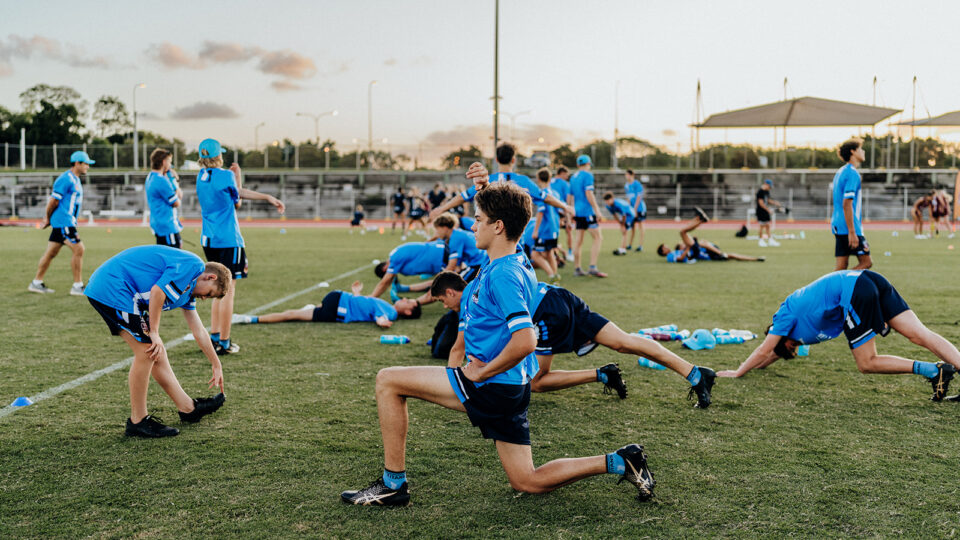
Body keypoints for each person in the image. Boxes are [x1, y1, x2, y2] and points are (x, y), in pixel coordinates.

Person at [341, 175, 655, 507]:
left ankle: (393, 485)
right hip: (511, 386)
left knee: (388, 381)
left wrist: (481, 373)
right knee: (527, 481)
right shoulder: (513, 256)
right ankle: (621, 460)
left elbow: (524, 340)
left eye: (478, 220)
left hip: (494, 385)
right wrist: (484, 189)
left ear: (498, 226)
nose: (472, 226)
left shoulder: (504, 275)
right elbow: (508, 220)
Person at [430, 271, 717, 408]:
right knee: (623, 341)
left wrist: (455, 386)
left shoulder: (469, 300)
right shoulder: (483, 276)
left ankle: (601, 375)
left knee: (536, 381)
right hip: (560, 296)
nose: (445, 307)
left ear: (453, 292)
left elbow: (459, 346)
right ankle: (694, 372)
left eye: (443, 300)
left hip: (543, 313)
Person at [717, 270, 960, 402]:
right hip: (867, 278)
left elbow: (765, 349)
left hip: (854, 291)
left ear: (779, 335)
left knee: (867, 363)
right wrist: (757, 367)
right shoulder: (793, 334)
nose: (793, 348)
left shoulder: (782, 318)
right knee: (920, 335)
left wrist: (739, 371)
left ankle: (933, 370)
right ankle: (946, 368)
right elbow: (771, 354)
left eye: (787, 345)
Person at [84, 245, 233, 437]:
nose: (204, 297)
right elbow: (157, 292)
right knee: (147, 350)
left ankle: (188, 408)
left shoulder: (188, 289)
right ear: (210, 277)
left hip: (122, 291)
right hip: (113, 286)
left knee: (155, 352)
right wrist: (154, 332)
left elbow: (199, 330)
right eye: (209, 293)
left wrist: (216, 363)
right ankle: (137, 421)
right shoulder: (193, 266)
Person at [195, 138, 285, 355]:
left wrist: (236, 179)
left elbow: (232, 195)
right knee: (227, 291)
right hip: (229, 240)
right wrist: (265, 195)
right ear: (219, 156)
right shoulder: (225, 175)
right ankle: (224, 341)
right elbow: (238, 201)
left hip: (209, 239)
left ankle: (215, 337)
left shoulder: (201, 177)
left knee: (216, 290)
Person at [427, 143, 573, 225]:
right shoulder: (523, 181)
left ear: (496, 160)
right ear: (513, 160)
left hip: (492, 231)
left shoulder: (487, 181)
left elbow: (463, 196)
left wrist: (442, 209)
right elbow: (546, 197)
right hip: (513, 236)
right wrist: (565, 206)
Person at [28, 150, 93, 296]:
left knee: (50, 253)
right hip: (64, 222)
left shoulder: (75, 179)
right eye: (86, 164)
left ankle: (36, 282)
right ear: (77, 163)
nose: (88, 166)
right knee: (79, 249)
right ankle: (77, 286)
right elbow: (53, 201)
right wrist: (47, 219)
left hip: (65, 222)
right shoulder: (66, 179)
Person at [234, 280, 420, 327]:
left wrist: (382, 322)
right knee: (292, 314)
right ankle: (249, 319)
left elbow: (380, 317)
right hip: (339, 303)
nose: (404, 299)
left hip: (337, 305)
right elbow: (366, 305)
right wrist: (357, 293)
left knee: (292, 314)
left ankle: (250, 319)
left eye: (409, 302)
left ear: (409, 312)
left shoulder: (391, 312)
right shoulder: (388, 306)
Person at [657, 209, 764, 263]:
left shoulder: (676, 251)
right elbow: (681, 258)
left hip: (700, 251)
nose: (667, 247)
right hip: (700, 253)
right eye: (664, 248)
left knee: (685, 233)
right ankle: (700, 220)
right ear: (663, 252)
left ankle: (699, 219)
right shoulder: (670, 256)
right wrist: (688, 248)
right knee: (684, 233)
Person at [831, 139, 871, 271]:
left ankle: (835, 289)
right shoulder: (852, 173)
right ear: (853, 152)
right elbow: (847, 203)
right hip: (849, 225)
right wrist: (852, 232)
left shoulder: (840, 172)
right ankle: (835, 288)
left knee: (841, 267)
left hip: (838, 223)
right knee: (866, 263)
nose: (863, 151)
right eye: (861, 149)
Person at [370, 240, 449, 301]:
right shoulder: (395, 256)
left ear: (385, 269)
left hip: (440, 256)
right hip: (440, 253)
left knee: (448, 285)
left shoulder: (394, 259)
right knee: (438, 283)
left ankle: (416, 302)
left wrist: (372, 297)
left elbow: (385, 282)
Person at [569, 155, 607, 277]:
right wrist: (597, 210)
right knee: (598, 237)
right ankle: (592, 267)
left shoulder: (573, 177)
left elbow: (570, 196)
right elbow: (589, 193)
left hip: (577, 211)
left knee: (578, 241)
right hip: (587, 211)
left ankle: (577, 268)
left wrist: (570, 211)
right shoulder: (588, 175)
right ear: (589, 164)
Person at [432, 213, 488, 282]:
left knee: (457, 284)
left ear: (445, 228)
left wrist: (437, 280)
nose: (436, 233)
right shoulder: (456, 233)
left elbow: (451, 267)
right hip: (482, 260)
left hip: (479, 264)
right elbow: (457, 267)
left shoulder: (455, 239)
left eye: (437, 229)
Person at [146, 148, 184, 248]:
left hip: (158, 224)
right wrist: (174, 181)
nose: (170, 165)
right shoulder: (161, 181)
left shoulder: (150, 176)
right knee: (174, 258)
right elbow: (177, 202)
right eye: (169, 162)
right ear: (164, 162)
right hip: (167, 227)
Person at [532, 168, 561, 283]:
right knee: (549, 253)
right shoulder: (555, 193)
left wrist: (535, 230)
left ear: (539, 179)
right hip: (554, 228)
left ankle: (551, 275)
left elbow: (541, 212)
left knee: (535, 254)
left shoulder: (542, 194)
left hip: (545, 229)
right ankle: (555, 277)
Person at [602, 191, 638, 256]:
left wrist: (623, 225)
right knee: (624, 231)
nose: (607, 202)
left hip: (630, 214)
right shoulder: (608, 206)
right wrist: (620, 223)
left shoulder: (618, 204)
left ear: (612, 198)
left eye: (608, 200)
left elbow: (624, 215)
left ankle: (622, 249)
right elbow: (614, 215)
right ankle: (623, 248)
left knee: (625, 231)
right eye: (606, 201)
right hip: (624, 215)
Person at [551, 167, 575, 261]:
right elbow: (567, 200)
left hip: (551, 212)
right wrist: (568, 216)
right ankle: (569, 252)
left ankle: (554, 252)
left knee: (553, 233)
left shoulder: (549, 181)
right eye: (566, 175)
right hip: (562, 211)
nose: (567, 177)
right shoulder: (565, 184)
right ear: (562, 173)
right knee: (569, 230)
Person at [623, 170, 647, 252]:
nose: (626, 176)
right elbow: (628, 198)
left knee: (641, 226)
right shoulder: (626, 185)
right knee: (632, 226)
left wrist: (635, 209)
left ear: (632, 175)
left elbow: (638, 197)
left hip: (640, 209)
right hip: (632, 209)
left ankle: (640, 245)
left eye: (627, 175)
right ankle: (630, 244)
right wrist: (628, 209)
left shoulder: (637, 184)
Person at [756, 179, 783, 247]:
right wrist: (768, 210)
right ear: (766, 184)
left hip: (765, 210)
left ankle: (770, 240)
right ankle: (761, 241)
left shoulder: (766, 191)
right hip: (761, 211)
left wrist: (775, 203)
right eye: (769, 186)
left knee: (768, 225)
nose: (770, 188)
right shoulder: (760, 192)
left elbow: (767, 200)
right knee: (762, 226)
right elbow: (761, 203)